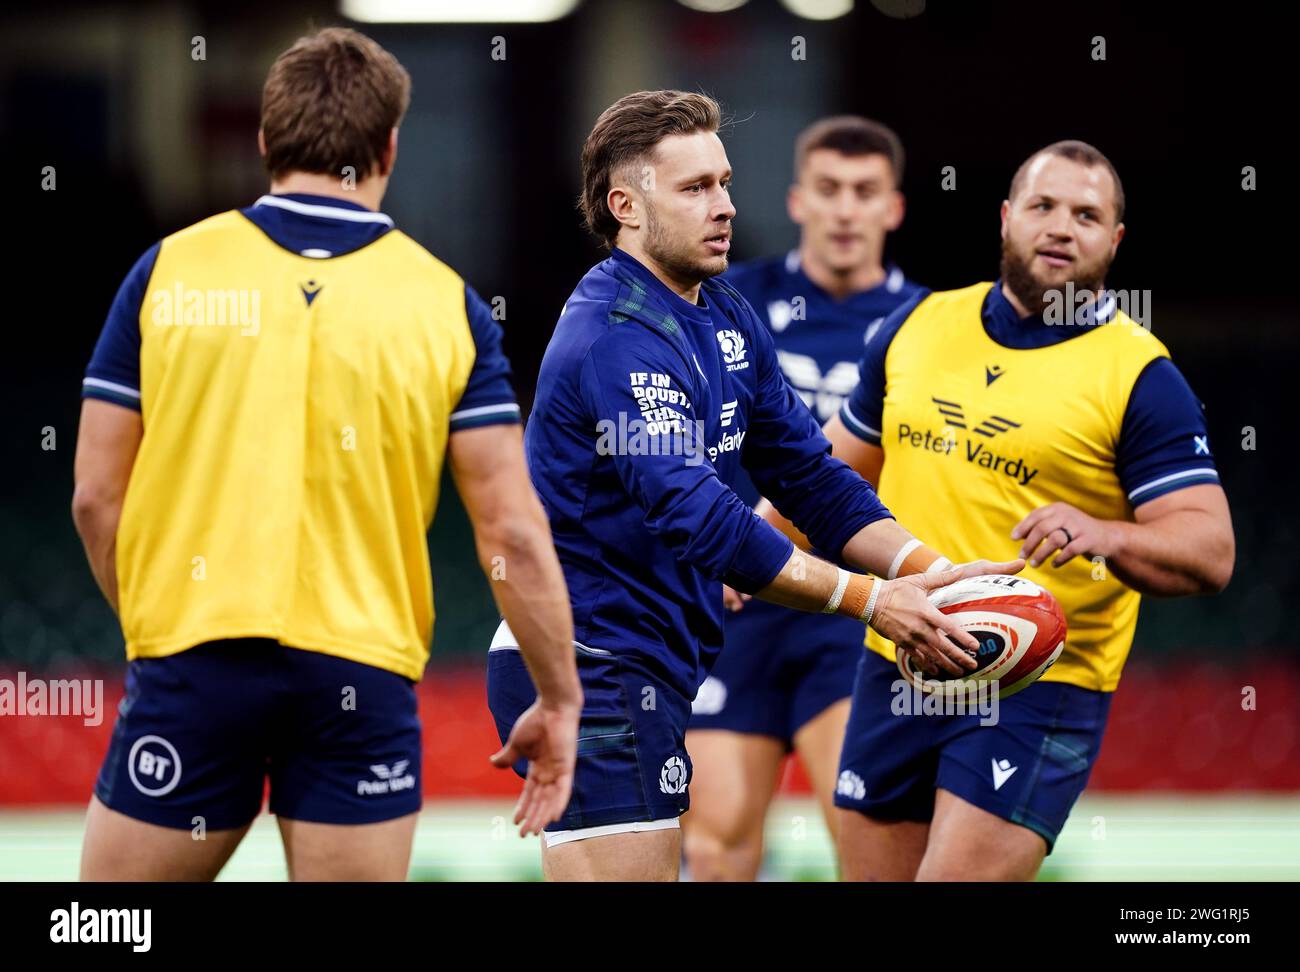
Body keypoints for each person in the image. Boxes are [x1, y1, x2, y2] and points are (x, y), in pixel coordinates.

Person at [71, 27, 581, 882]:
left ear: (267, 141)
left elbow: (95, 497)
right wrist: (560, 697)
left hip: (197, 662)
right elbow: (512, 532)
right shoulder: (445, 303)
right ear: (388, 146)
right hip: (360, 677)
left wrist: (161, 627)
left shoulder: (167, 272)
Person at [486, 89, 1019, 881]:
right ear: (625, 205)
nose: (725, 206)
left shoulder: (725, 312)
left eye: (725, 182)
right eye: (696, 188)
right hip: (588, 661)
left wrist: (929, 574)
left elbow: (809, 475)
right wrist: (872, 600)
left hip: (649, 658)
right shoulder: (614, 337)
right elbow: (701, 519)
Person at [774, 139, 1234, 880]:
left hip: (1037, 680)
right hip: (904, 659)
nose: (1061, 227)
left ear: (1113, 241)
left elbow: (1211, 553)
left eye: (1087, 215)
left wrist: (1102, 532)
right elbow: (824, 481)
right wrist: (740, 553)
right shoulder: (917, 326)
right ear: (1005, 217)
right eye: (1043, 206)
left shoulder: (1141, 375)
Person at [684, 116, 924, 881]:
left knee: (863, 841)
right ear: (796, 201)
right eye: (828, 190)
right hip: (739, 607)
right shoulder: (726, 300)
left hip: (855, 616)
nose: (845, 210)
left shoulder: (928, 327)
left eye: (864, 192)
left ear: (894, 208)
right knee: (715, 846)